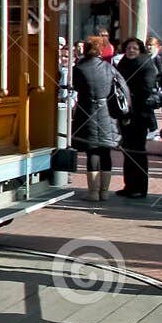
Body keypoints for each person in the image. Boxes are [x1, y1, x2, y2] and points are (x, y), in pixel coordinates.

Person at [70, 34, 128, 201]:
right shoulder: (108, 68)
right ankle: (104, 191)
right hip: (106, 113)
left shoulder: (79, 69)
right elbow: (120, 87)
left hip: (86, 110)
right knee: (105, 151)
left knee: (92, 152)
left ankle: (93, 192)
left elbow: (75, 87)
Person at [114, 37, 162, 199]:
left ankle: (140, 188)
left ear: (140, 49)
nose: (131, 51)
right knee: (128, 150)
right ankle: (129, 185)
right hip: (125, 112)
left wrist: (130, 97)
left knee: (138, 151)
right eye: (128, 48)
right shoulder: (123, 64)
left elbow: (147, 89)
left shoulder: (146, 65)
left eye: (134, 48)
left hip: (140, 114)